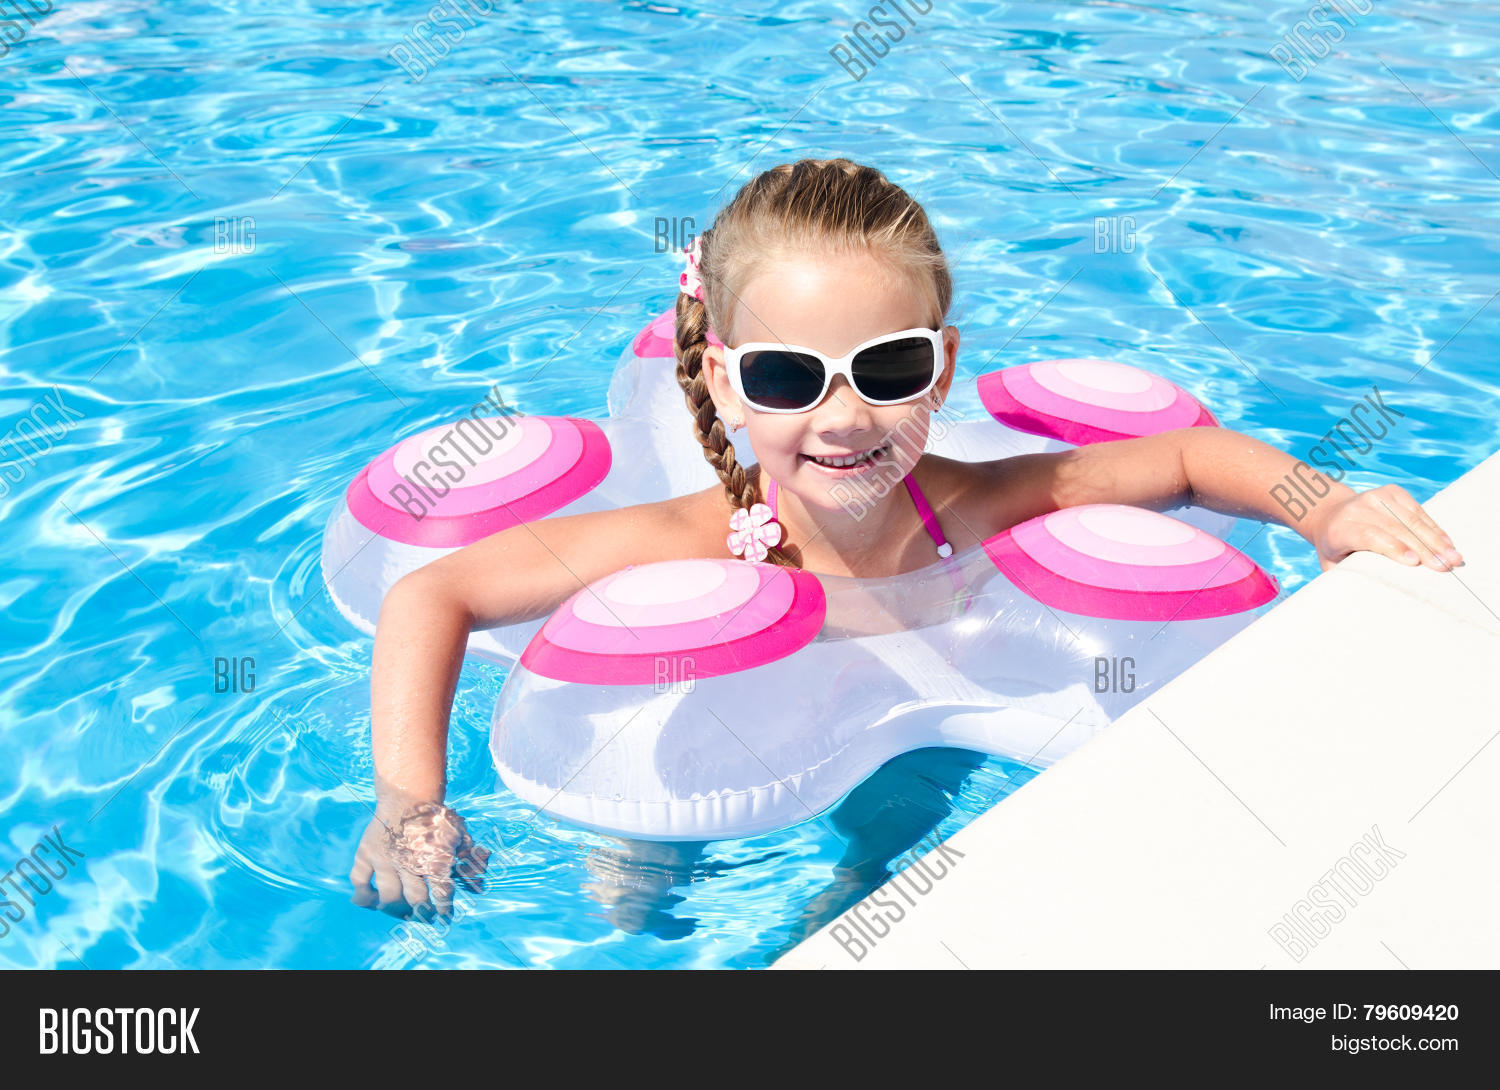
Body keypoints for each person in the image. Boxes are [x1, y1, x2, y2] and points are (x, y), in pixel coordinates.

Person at [350, 157, 1463, 918]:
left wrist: (1325, 505)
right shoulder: (690, 541)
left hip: (911, 722)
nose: (844, 419)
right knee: (635, 903)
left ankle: (856, 888)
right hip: (700, 741)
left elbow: (1186, 456)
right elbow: (431, 595)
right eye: (787, 377)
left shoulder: (974, 503)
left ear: (944, 365)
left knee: (898, 832)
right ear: (725, 385)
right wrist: (408, 799)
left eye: (888, 368)